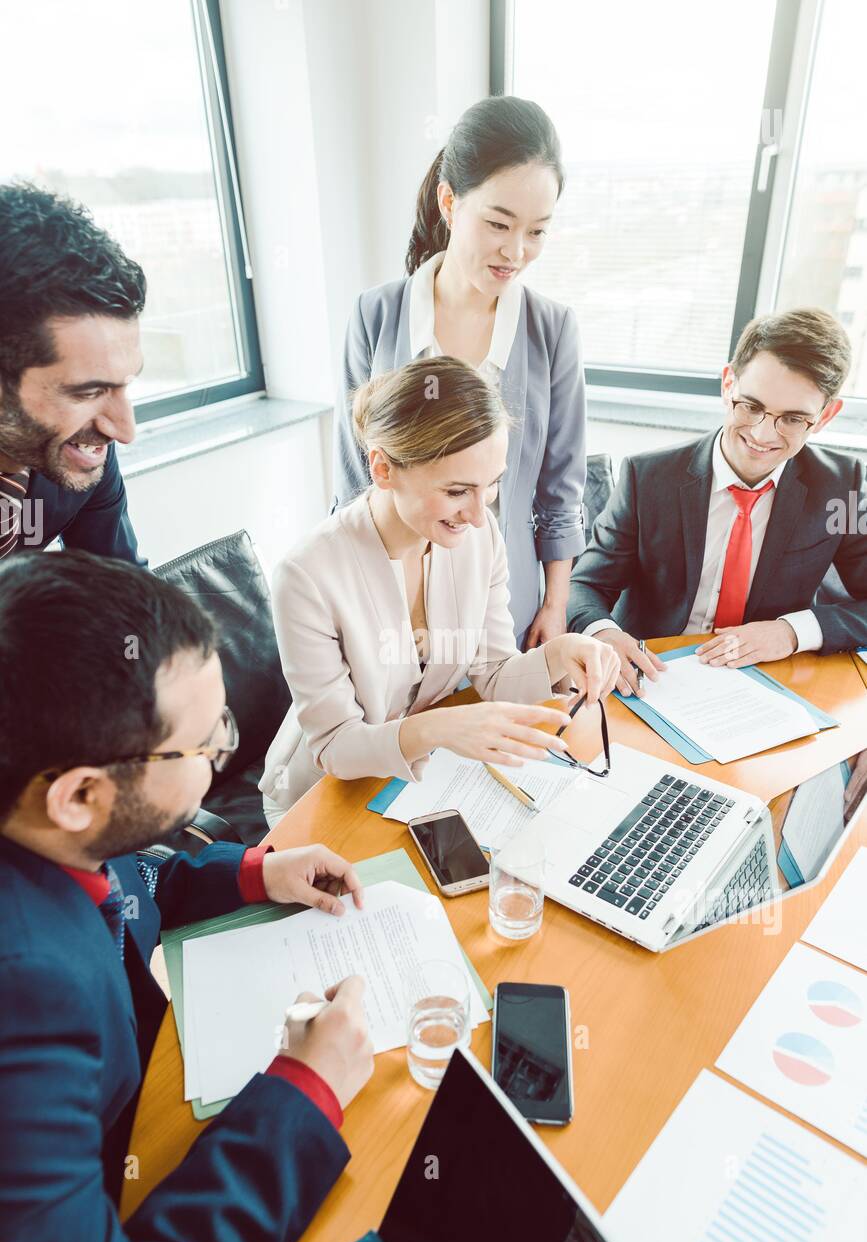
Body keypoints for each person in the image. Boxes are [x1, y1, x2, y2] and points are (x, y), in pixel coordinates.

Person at [0, 550, 374, 1242]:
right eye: (205, 747)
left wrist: (252, 872)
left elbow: (129, 879)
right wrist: (307, 1090)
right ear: (78, 795)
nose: (220, 760)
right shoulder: (25, 997)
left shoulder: (44, 824)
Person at [261, 357, 619, 824]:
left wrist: (562, 654)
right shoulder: (306, 575)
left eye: (490, 485)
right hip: (323, 794)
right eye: (456, 491)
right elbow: (333, 745)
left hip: (424, 776)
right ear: (383, 469)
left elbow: (492, 671)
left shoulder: (480, 535)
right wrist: (438, 729)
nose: (476, 514)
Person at [331, 95, 586, 650]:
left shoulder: (553, 330)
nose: (515, 251)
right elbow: (353, 480)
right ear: (449, 202)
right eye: (499, 223)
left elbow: (560, 487)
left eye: (537, 231)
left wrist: (555, 604)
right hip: (390, 605)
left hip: (505, 609)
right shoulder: (376, 317)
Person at [567, 309, 867, 694]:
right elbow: (584, 585)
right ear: (728, 384)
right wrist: (604, 633)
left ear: (826, 415)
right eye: (751, 406)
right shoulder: (648, 478)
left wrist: (792, 632)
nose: (762, 434)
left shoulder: (842, 487)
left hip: (767, 683)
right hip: (652, 675)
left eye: (793, 419)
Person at [0, 183, 145, 564]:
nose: (124, 430)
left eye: (125, 384)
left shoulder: (79, 449)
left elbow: (121, 593)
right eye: (87, 392)